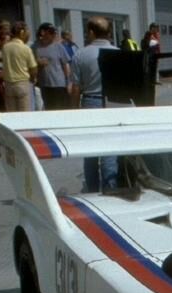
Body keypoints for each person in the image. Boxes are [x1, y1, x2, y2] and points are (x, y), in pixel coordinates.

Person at [69, 16, 119, 191]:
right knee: (110, 149)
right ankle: (111, 186)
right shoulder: (118, 53)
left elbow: (75, 87)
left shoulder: (80, 55)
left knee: (90, 150)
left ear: (91, 32)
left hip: (91, 101)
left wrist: (74, 111)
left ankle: (91, 189)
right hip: (113, 103)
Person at [1, 21, 38, 112]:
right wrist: (33, 78)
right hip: (22, 83)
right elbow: (33, 68)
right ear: (22, 32)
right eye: (27, 32)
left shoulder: (5, 47)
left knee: (12, 114)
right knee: (24, 116)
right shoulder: (25, 48)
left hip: (9, 84)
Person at [34, 22, 72, 109]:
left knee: (60, 109)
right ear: (43, 32)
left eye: (54, 32)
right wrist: (37, 61)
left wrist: (68, 82)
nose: (54, 34)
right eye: (51, 32)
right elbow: (29, 61)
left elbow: (65, 65)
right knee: (48, 108)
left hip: (59, 84)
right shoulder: (35, 47)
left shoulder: (59, 46)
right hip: (44, 84)